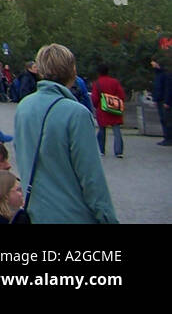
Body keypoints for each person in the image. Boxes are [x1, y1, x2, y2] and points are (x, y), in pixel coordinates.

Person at [13, 43, 117, 224]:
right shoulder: (77, 113)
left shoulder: (24, 107)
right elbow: (91, 176)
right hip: (72, 214)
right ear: (73, 71)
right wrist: (107, 218)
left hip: (37, 213)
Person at [90, 63, 126, 158]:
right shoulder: (115, 82)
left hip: (102, 109)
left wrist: (97, 106)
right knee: (116, 130)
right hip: (114, 108)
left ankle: (101, 150)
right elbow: (121, 95)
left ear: (98, 72)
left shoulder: (97, 83)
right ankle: (118, 151)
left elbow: (94, 98)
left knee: (102, 129)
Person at [153, 56, 172, 147]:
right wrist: (155, 99)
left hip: (164, 100)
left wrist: (167, 101)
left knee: (167, 120)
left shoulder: (165, 74)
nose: (152, 64)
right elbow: (156, 87)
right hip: (160, 100)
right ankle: (166, 137)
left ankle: (169, 138)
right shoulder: (158, 74)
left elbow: (168, 88)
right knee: (163, 119)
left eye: (154, 62)